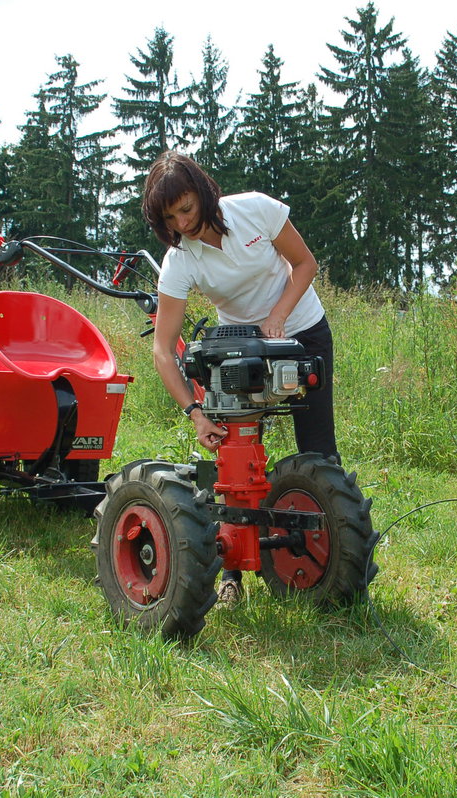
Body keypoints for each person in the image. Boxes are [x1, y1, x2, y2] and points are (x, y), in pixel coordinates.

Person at [142, 151, 338, 601]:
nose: (183, 223)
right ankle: (231, 572)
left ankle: (327, 563)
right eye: (170, 218)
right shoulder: (180, 259)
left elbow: (305, 264)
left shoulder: (254, 209)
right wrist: (194, 412)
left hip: (302, 331)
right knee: (235, 459)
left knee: (319, 451)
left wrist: (278, 316)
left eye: (186, 208)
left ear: (203, 192)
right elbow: (161, 348)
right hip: (241, 349)